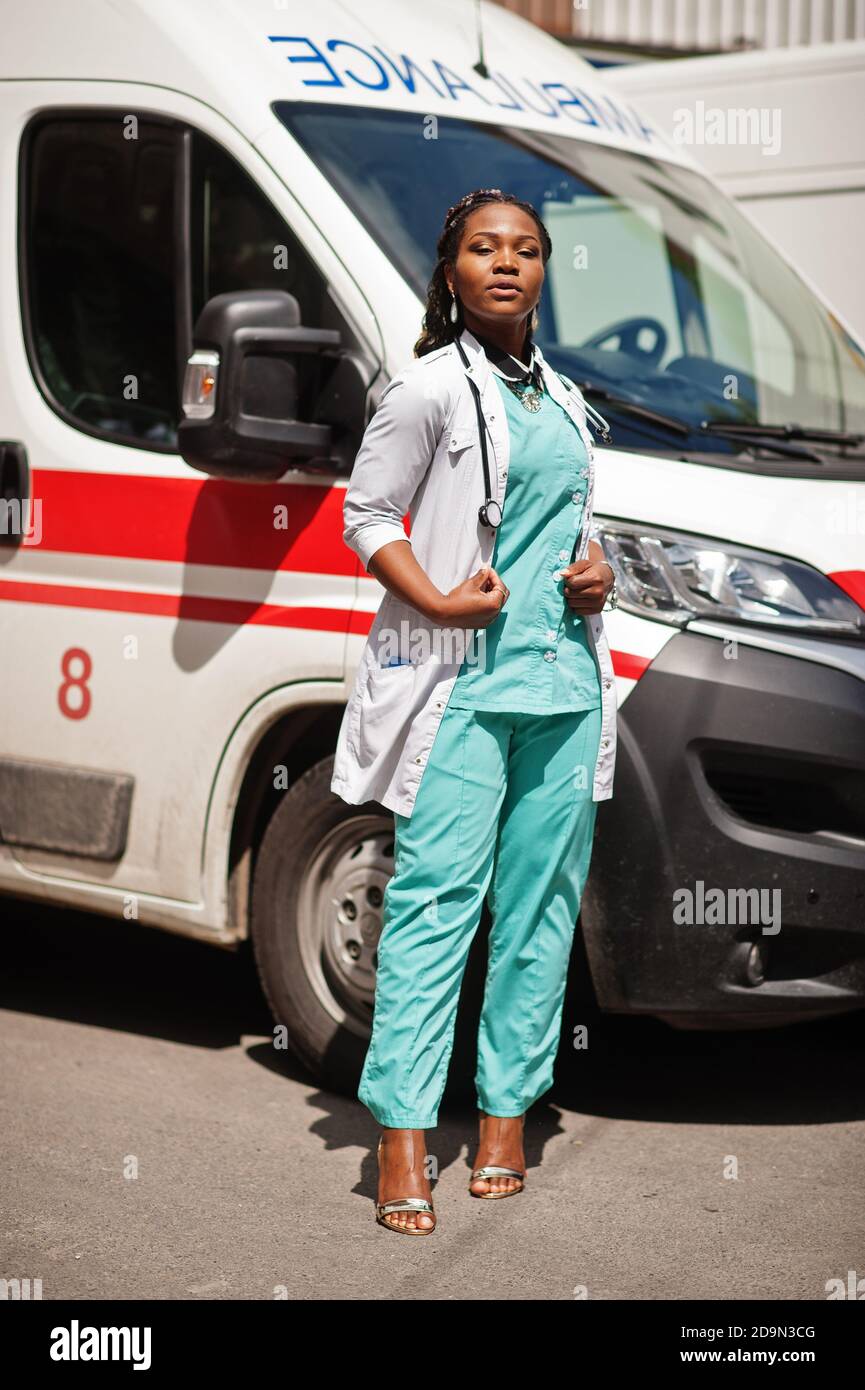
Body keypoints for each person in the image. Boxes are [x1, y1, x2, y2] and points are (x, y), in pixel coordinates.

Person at [330, 188, 618, 1234]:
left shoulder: (565, 400)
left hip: (564, 685)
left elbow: (578, 532)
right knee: (434, 905)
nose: (508, 264)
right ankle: (400, 1136)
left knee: (539, 909)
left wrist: (600, 574)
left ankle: (504, 1117)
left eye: (528, 249)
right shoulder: (424, 389)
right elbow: (364, 513)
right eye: (486, 249)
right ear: (450, 270)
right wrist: (438, 598)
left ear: (545, 270)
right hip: (458, 688)